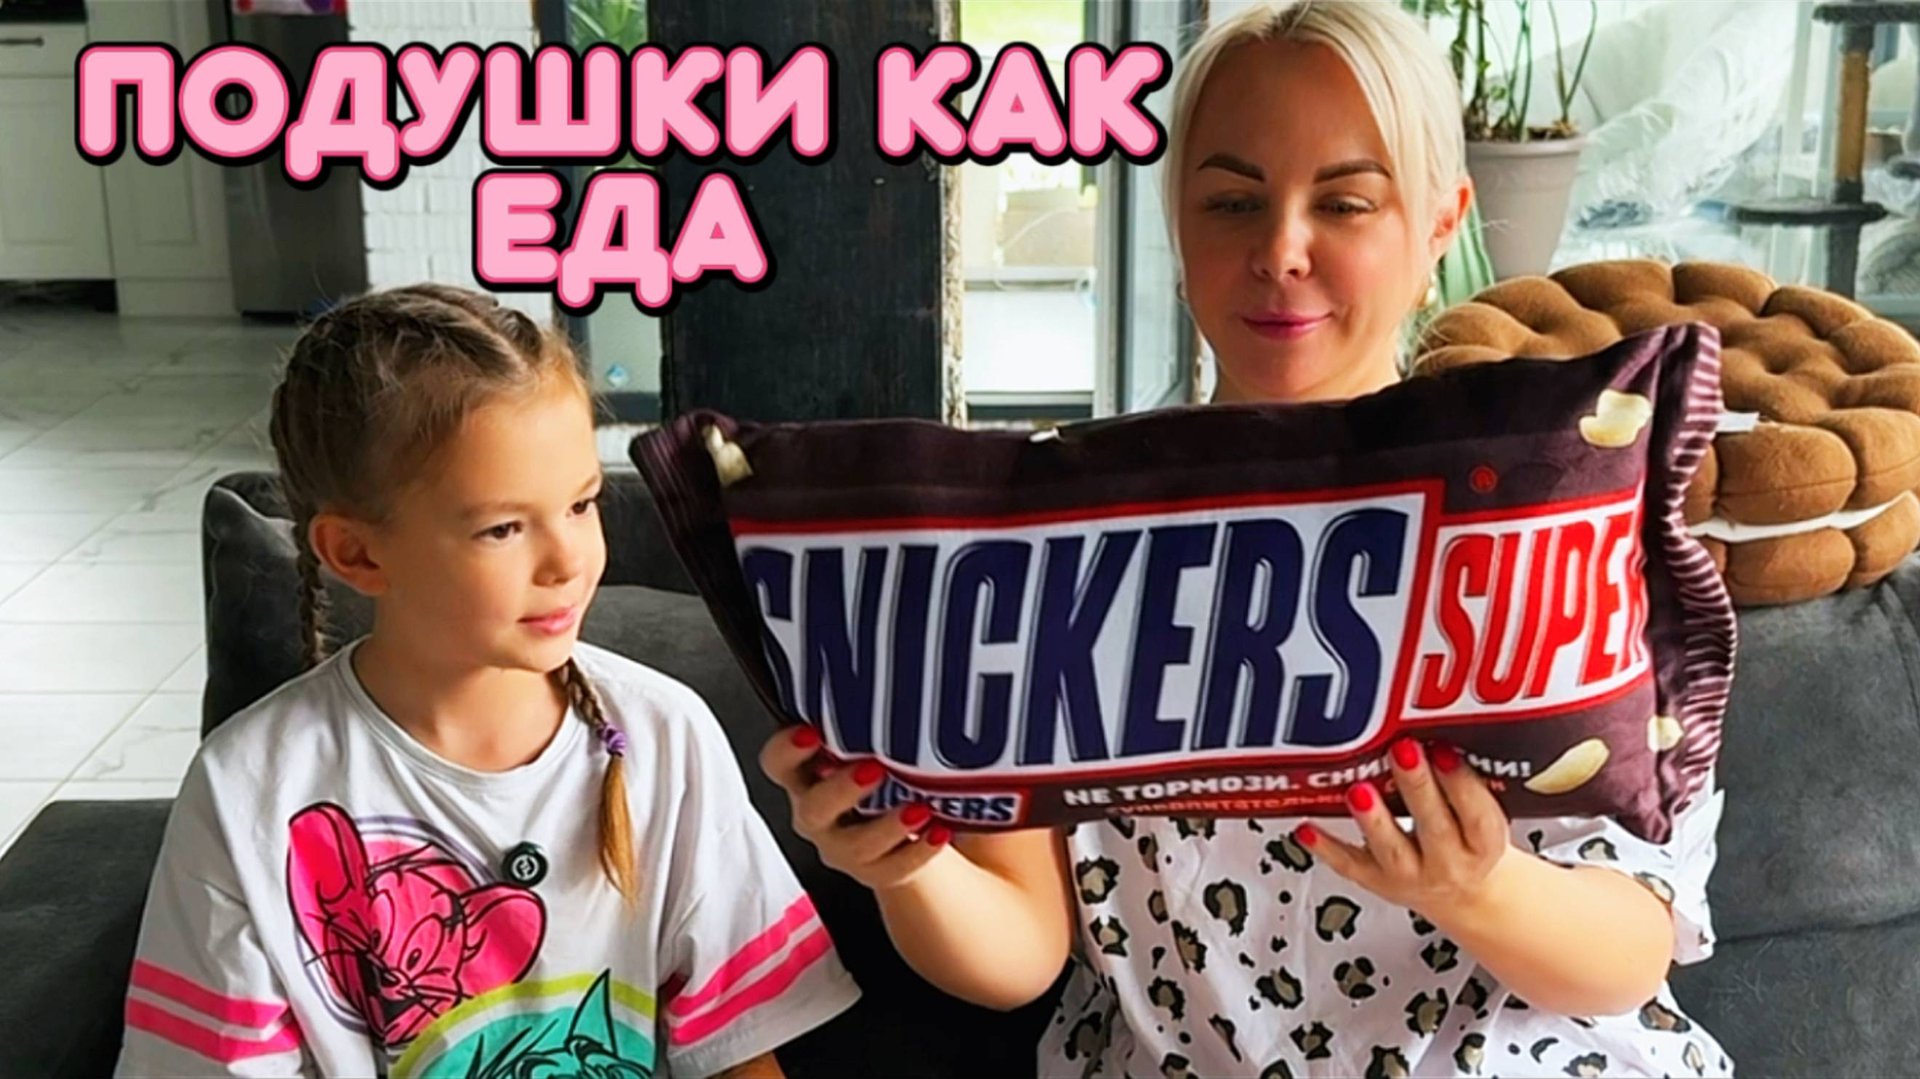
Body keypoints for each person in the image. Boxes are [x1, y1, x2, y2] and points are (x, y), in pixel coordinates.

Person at [760, 2, 1732, 1076]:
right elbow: (1021, 950)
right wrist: (901, 859)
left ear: (1439, 225)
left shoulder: (1545, 511)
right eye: (1231, 202)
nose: (1279, 252)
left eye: (1346, 202)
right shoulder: (1050, 534)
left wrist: (1478, 885)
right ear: (1177, 227)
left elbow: (1630, 950)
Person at [117, 285, 858, 1078]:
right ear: (356, 553)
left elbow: (740, 1054)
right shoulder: (245, 790)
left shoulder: (666, 735)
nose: (568, 560)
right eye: (502, 527)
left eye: (582, 503)